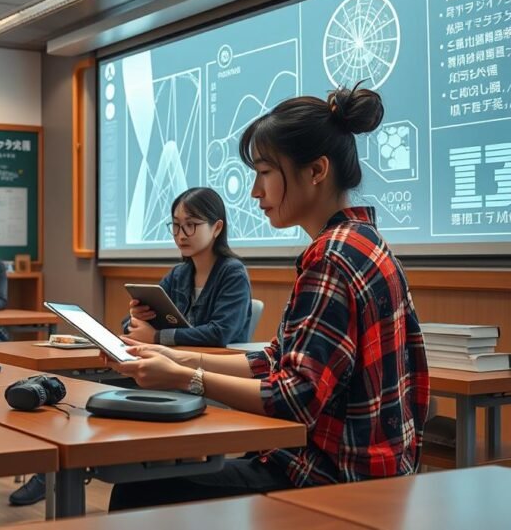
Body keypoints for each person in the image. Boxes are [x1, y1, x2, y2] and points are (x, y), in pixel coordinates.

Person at [107, 85, 430, 511]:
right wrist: (177, 360)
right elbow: (276, 359)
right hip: (367, 467)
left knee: (140, 485)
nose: (255, 192)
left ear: (315, 171)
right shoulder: (363, 242)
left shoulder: (331, 257)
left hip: (333, 478)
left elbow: (293, 398)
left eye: (264, 172)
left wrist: (181, 377)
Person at [123, 187, 252, 346]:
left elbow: (220, 333)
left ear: (217, 228)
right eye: (176, 225)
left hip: (216, 365)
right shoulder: (178, 274)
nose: (181, 235)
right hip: (177, 362)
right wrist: (135, 317)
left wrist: (157, 337)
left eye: (191, 224)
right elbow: (129, 327)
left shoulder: (233, 273)